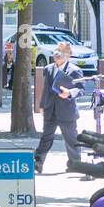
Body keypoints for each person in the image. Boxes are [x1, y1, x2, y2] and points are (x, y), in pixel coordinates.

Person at [34, 42, 84, 174]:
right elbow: (46, 90)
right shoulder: (48, 68)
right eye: (56, 50)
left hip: (66, 111)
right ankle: (38, 162)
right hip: (50, 109)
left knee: (71, 139)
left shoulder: (75, 70)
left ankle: (76, 165)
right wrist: (42, 106)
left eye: (60, 51)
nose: (56, 53)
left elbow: (81, 90)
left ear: (67, 55)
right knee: (46, 137)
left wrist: (69, 93)